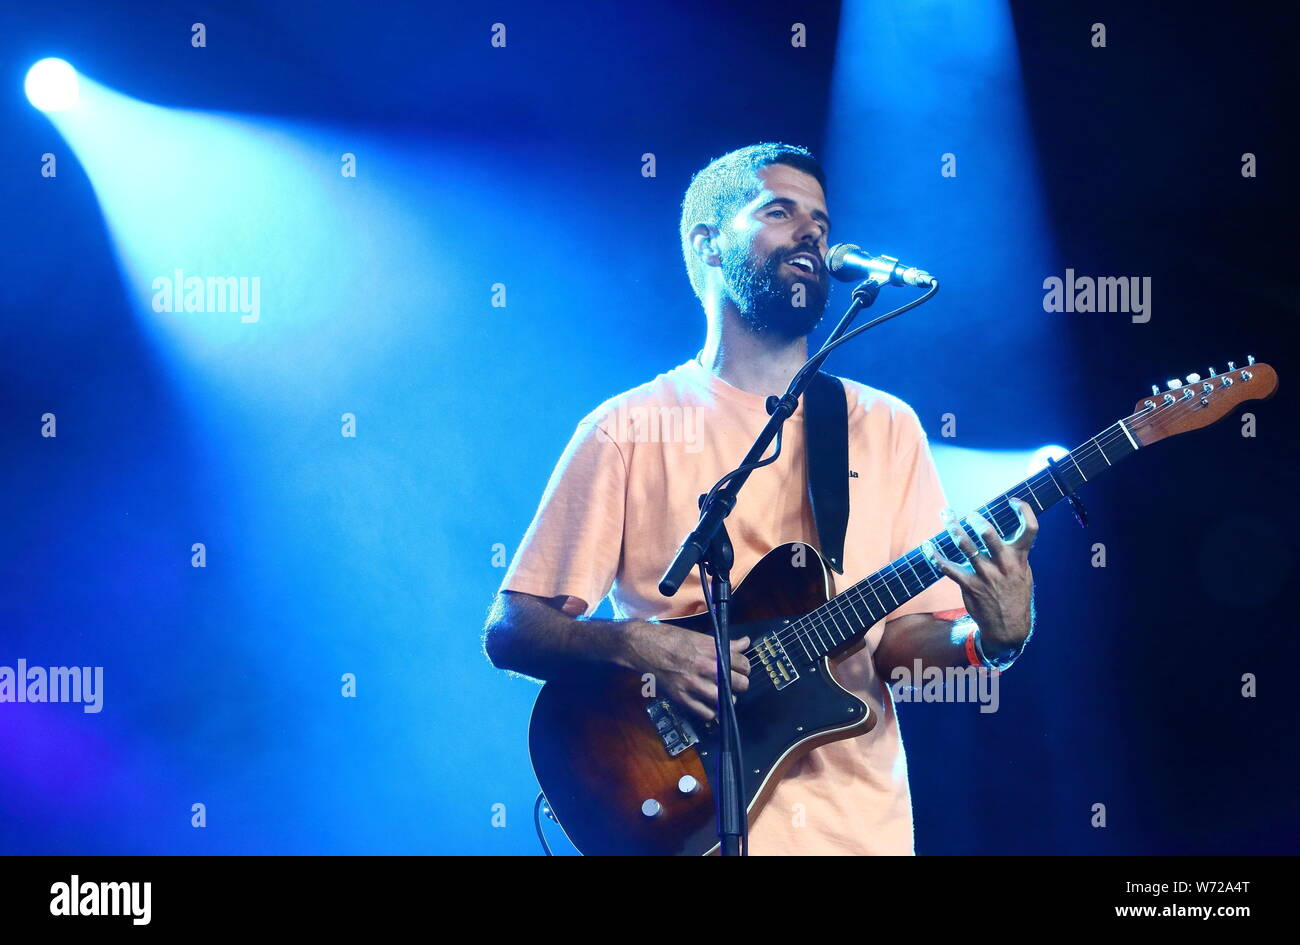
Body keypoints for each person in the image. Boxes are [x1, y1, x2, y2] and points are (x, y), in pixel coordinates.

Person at [483, 142, 1038, 855]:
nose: (812, 231)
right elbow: (512, 630)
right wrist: (639, 644)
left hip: (857, 834)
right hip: (688, 823)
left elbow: (899, 645)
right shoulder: (626, 427)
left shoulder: (886, 424)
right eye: (780, 211)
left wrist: (991, 638)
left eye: (821, 220)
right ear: (708, 244)